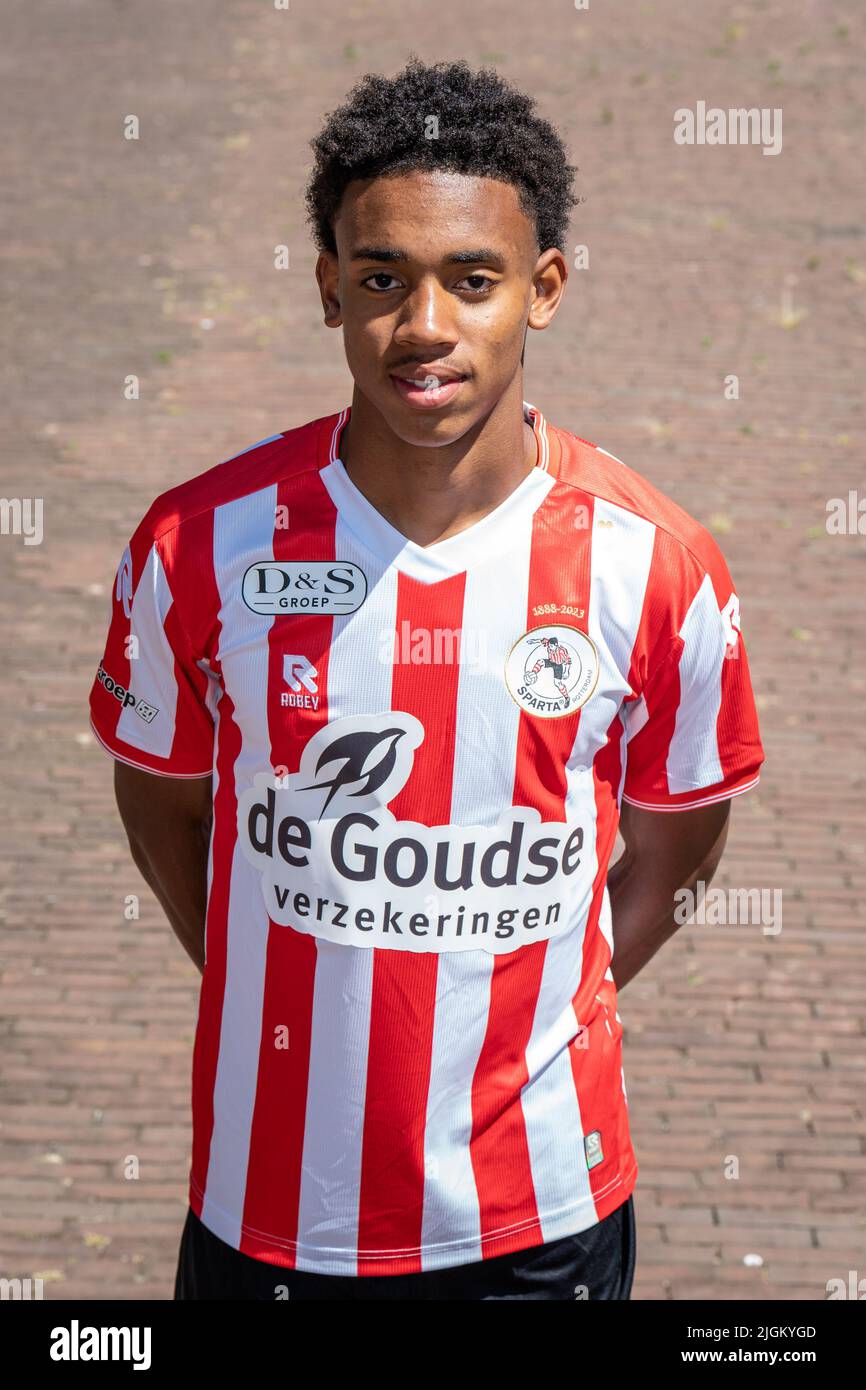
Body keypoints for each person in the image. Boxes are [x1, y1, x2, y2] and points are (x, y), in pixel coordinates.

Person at [88, 56, 765, 1301]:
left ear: (542, 289)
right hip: (266, 1207)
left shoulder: (653, 563)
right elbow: (164, 815)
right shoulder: (199, 545)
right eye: (383, 279)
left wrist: (521, 1012)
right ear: (329, 288)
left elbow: (676, 853)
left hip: (538, 1221)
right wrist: (288, 984)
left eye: (472, 279)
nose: (425, 328)